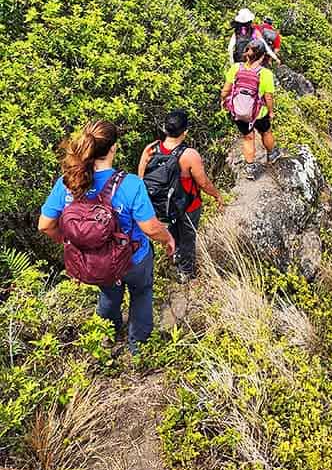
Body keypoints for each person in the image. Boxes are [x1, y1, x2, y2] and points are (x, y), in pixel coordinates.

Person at [38, 119, 175, 353]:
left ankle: (107, 336)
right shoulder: (130, 184)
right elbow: (151, 228)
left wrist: (71, 242)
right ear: (113, 148)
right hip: (134, 259)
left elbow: (45, 225)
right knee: (141, 294)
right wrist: (168, 239)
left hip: (96, 261)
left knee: (109, 294)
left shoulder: (68, 183)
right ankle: (138, 348)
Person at [138, 110, 224, 281]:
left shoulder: (150, 149)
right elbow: (203, 183)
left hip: (163, 206)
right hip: (188, 206)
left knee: (173, 233)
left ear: (165, 129)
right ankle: (186, 273)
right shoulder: (189, 155)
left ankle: (174, 261)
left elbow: (141, 179)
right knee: (188, 238)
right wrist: (217, 195)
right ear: (185, 132)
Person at [221, 40, 281, 180]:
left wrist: (224, 100)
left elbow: (226, 89)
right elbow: (268, 97)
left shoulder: (236, 68)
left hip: (240, 112)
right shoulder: (265, 73)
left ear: (247, 54)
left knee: (248, 138)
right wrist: (271, 111)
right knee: (265, 132)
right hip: (259, 113)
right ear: (262, 56)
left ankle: (250, 168)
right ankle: (272, 154)